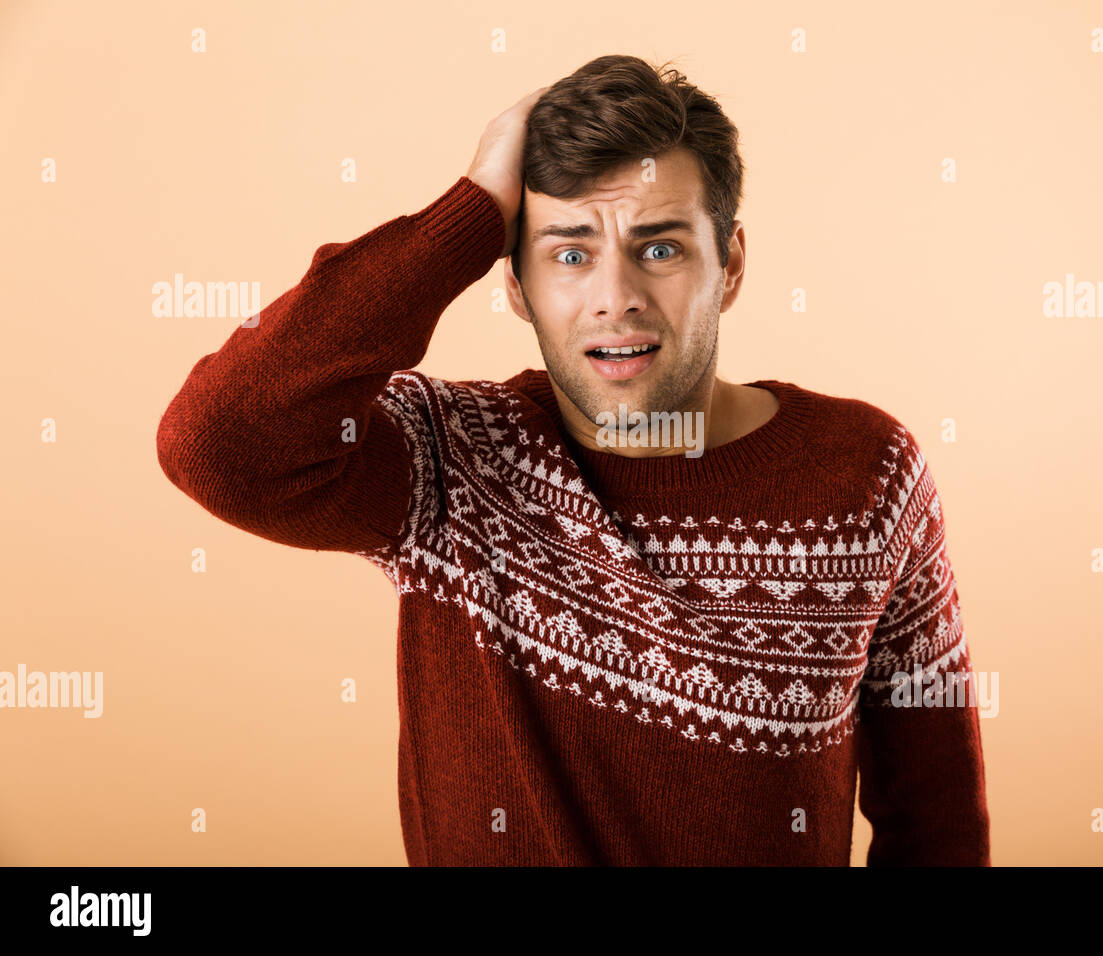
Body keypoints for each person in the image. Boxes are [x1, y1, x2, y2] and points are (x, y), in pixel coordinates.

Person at [156, 54, 991, 866]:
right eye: (568, 252)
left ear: (729, 264)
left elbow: (939, 825)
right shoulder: (451, 461)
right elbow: (218, 442)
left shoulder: (870, 474)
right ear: (514, 286)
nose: (614, 294)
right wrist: (471, 211)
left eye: (659, 248)